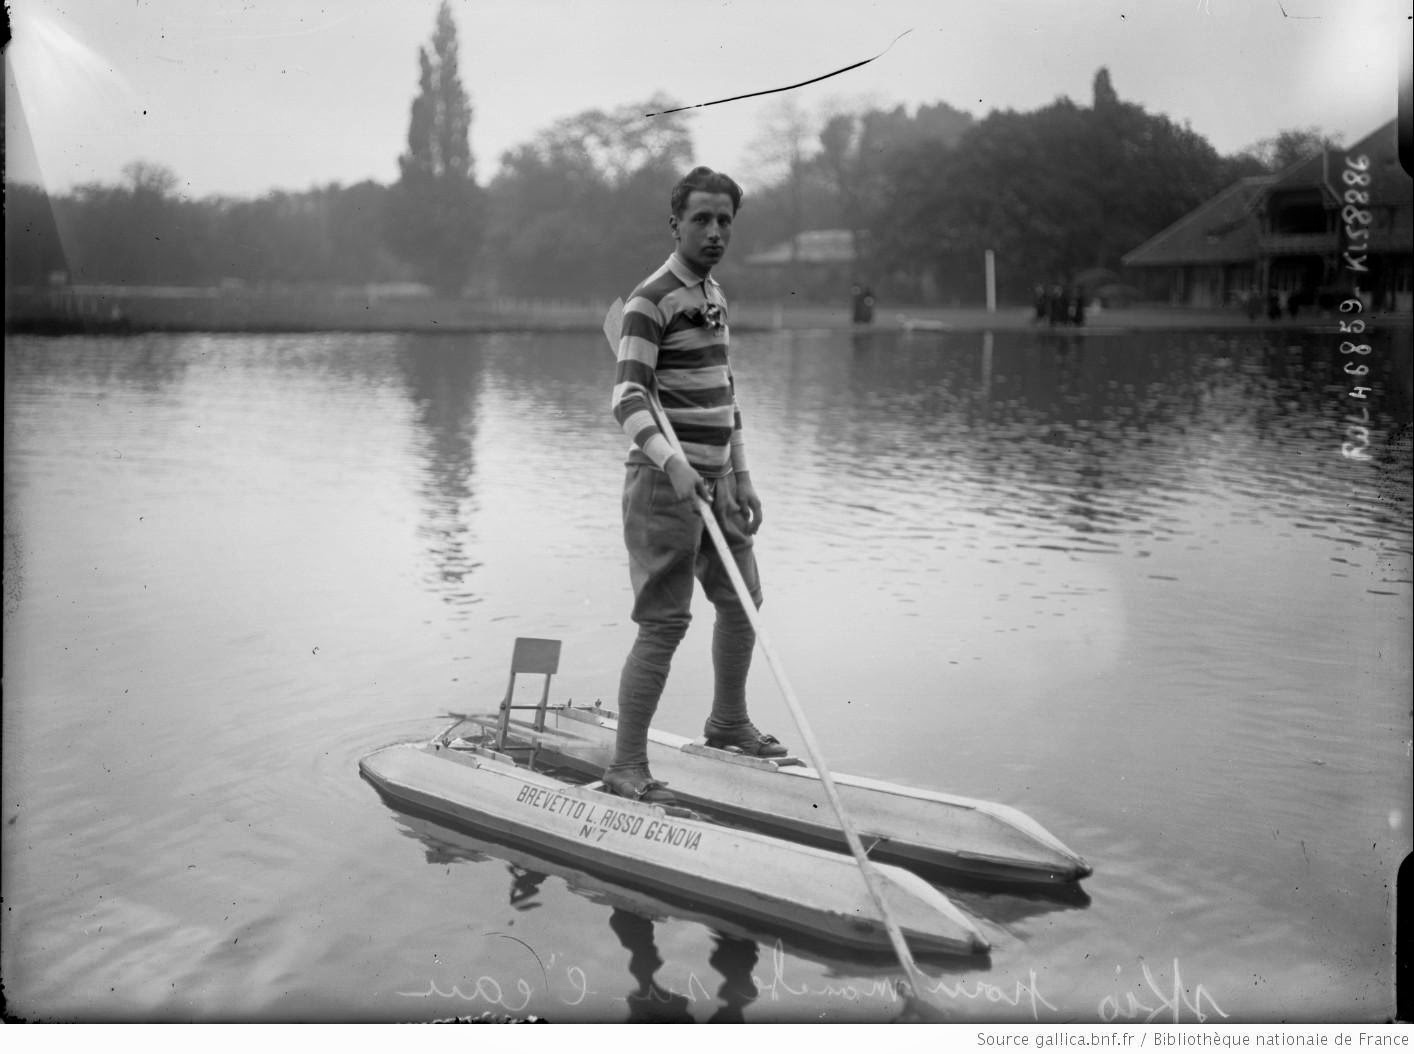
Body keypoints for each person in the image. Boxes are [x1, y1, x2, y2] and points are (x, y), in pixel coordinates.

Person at [606, 166, 787, 803]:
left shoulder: (716, 295)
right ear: (676, 223)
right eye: (702, 219)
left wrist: (740, 473)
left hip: (718, 486)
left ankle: (728, 723)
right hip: (664, 486)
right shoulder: (649, 300)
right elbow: (628, 398)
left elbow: (727, 395)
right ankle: (626, 765)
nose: (715, 232)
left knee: (743, 601)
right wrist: (674, 464)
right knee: (664, 624)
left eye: (725, 221)